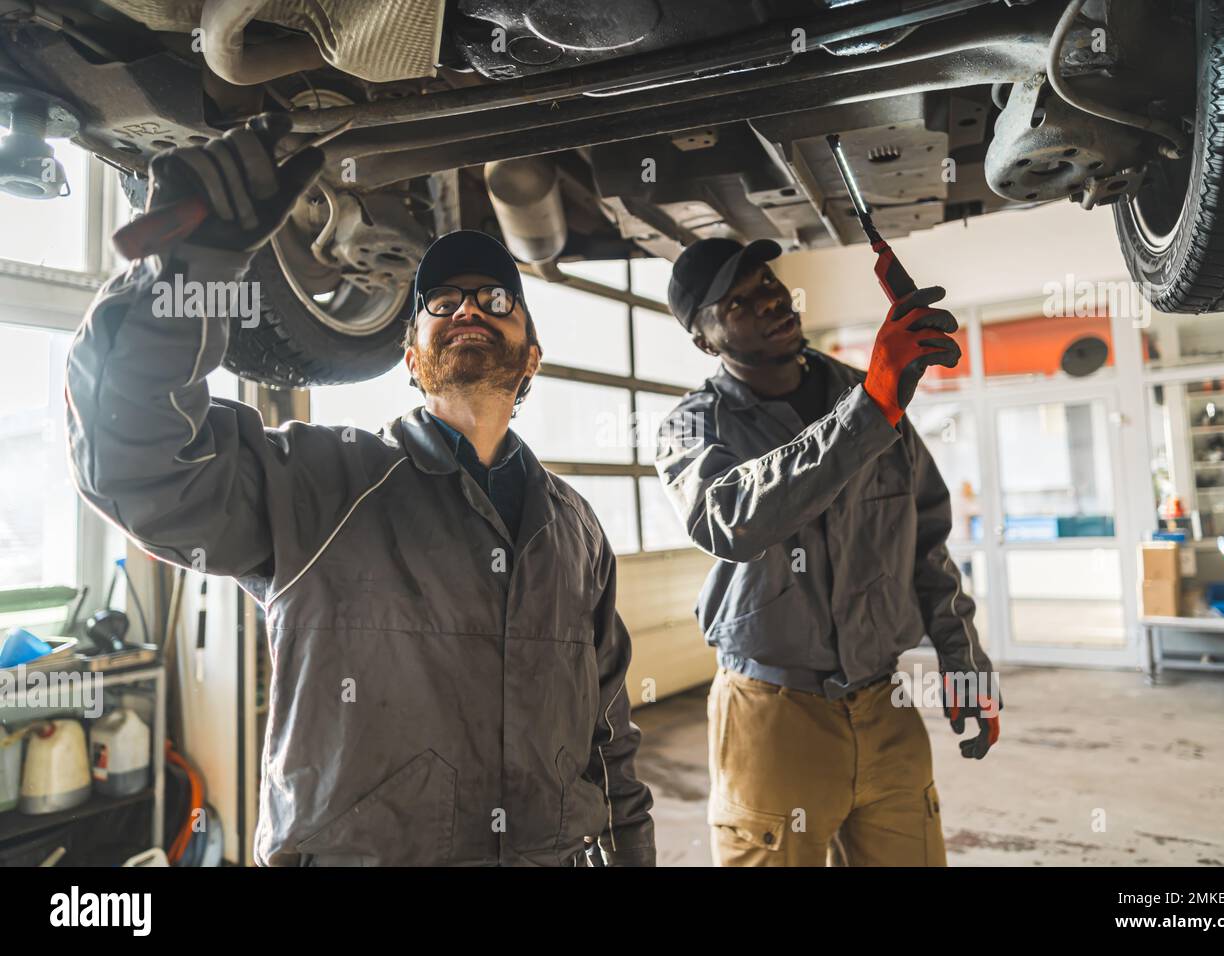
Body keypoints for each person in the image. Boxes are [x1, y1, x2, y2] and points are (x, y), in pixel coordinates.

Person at [65, 113, 654, 866]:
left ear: (531, 355)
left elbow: (610, 726)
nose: (468, 308)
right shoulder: (318, 482)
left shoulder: (575, 529)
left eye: (495, 299)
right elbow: (138, 463)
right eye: (440, 303)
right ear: (411, 355)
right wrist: (191, 270)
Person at [655, 237, 999, 867]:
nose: (768, 300)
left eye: (765, 281)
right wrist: (871, 407)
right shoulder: (692, 425)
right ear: (705, 340)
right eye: (737, 301)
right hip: (771, 717)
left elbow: (924, 534)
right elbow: (729, 518)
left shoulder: (867, 393)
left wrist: (963, 654)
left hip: (884, 707)